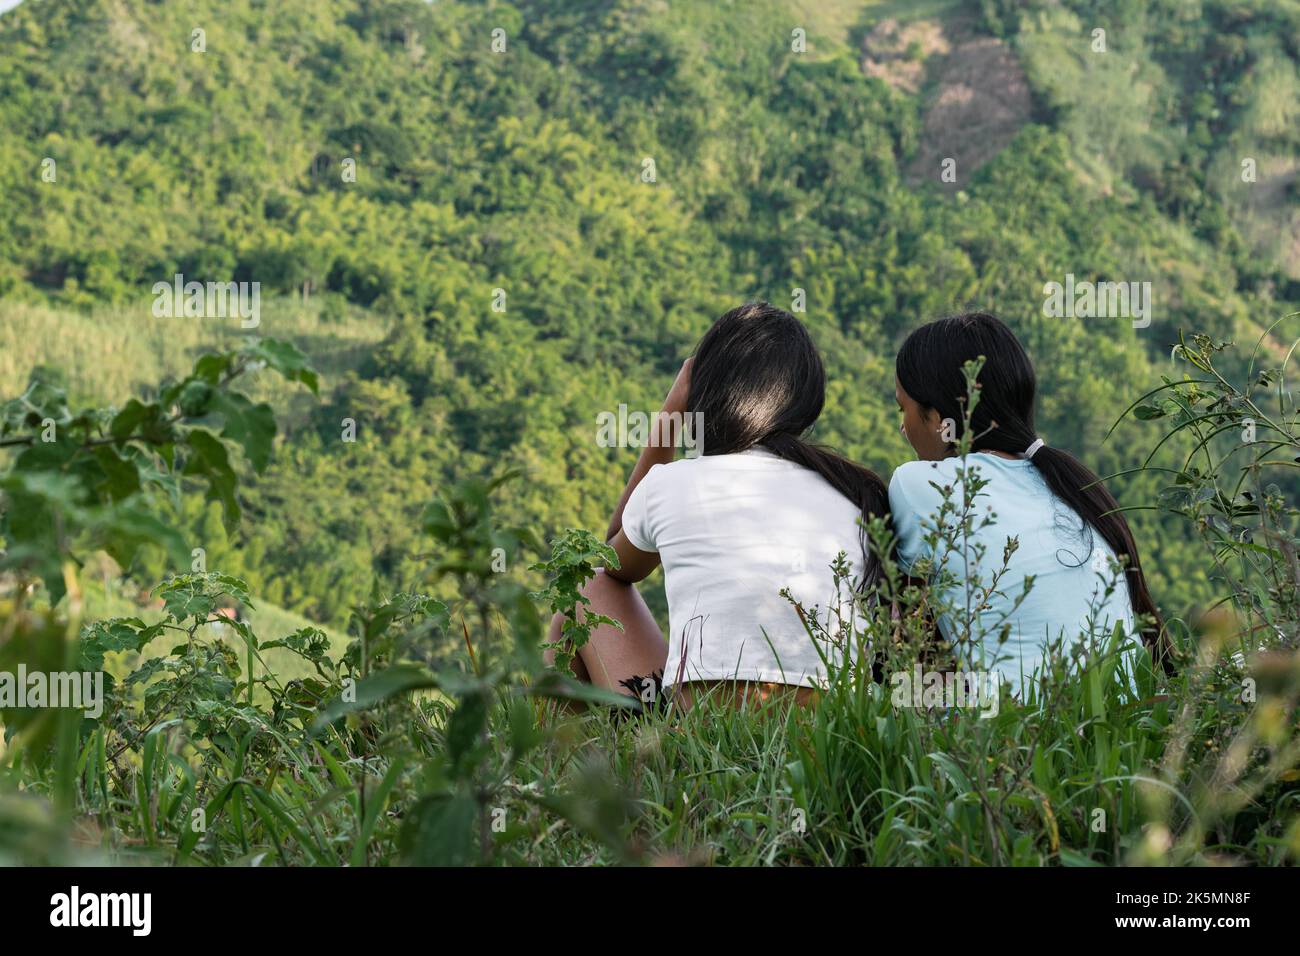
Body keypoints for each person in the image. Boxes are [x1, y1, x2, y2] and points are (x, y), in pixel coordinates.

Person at [546, 302, 888, 711]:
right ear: (807, 402)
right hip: (830, 739)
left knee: (587, 589)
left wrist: (671, 416)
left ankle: (553, 764)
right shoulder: (857, 492)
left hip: (698, 737)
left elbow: (612, 565)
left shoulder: (672, 483)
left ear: (700, 391)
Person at [890, 311, 1167, 689]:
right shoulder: (1071, 487)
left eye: (902, 409)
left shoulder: (917, 484)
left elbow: (912, 644)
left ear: (938, 419)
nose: (902, 426)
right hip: (1128, 729)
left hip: (1015, 735)